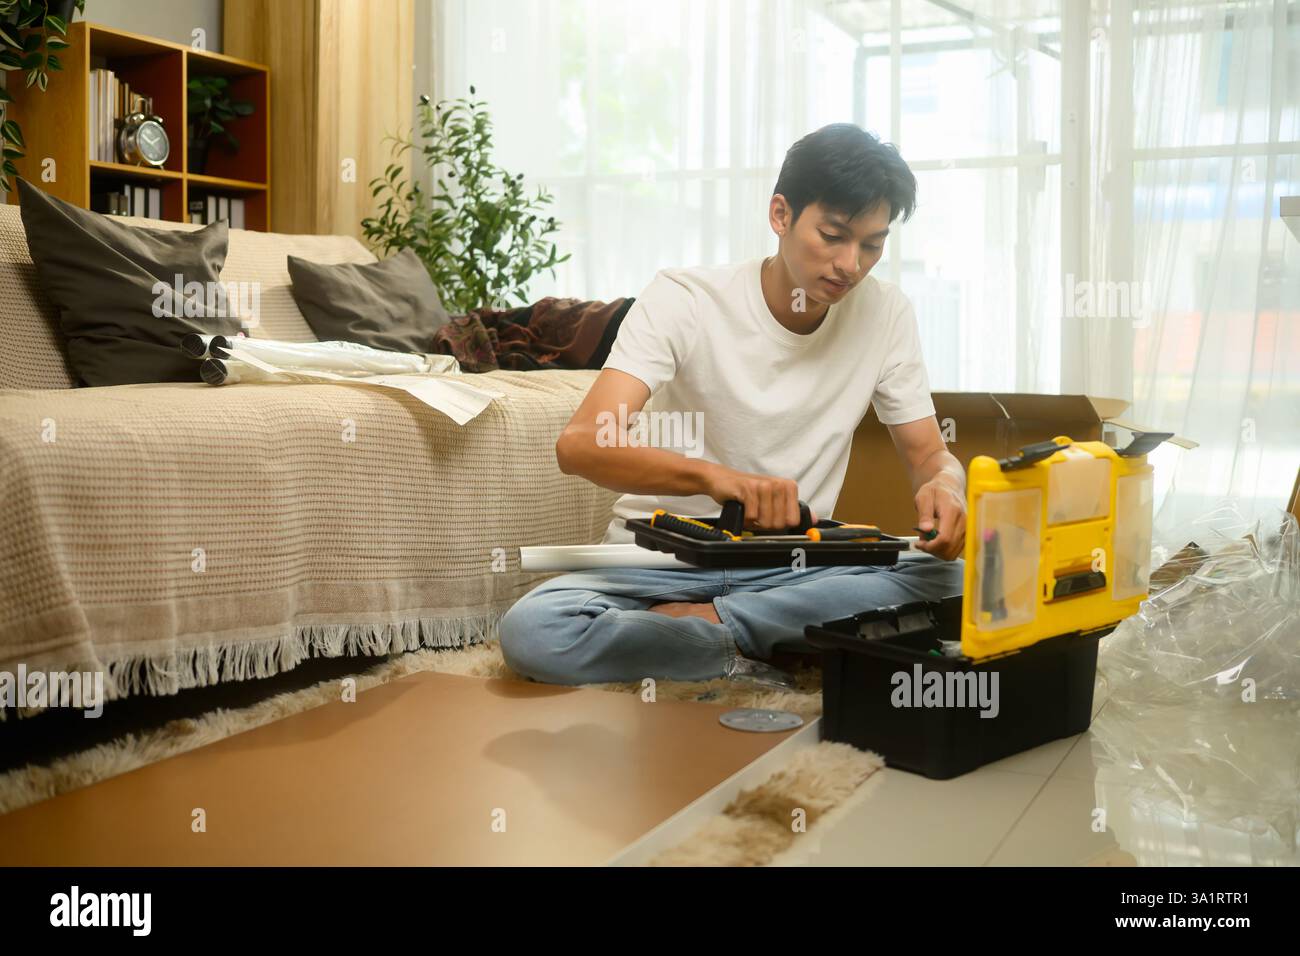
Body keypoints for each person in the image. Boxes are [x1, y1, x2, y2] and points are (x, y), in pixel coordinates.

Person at [500, 123, 966, 686]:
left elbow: (927, 454)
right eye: (833, 235)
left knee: (952, 579)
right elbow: (579, 445)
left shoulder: (886, 312)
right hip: (660, 561)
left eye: (872, 244)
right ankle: (748, 642)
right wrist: (716, 479)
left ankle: (709, 629)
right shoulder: (685, 298)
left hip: (792, 566)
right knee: (534, 630)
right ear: (780, 215)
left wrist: (946, 485)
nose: (851, 264)